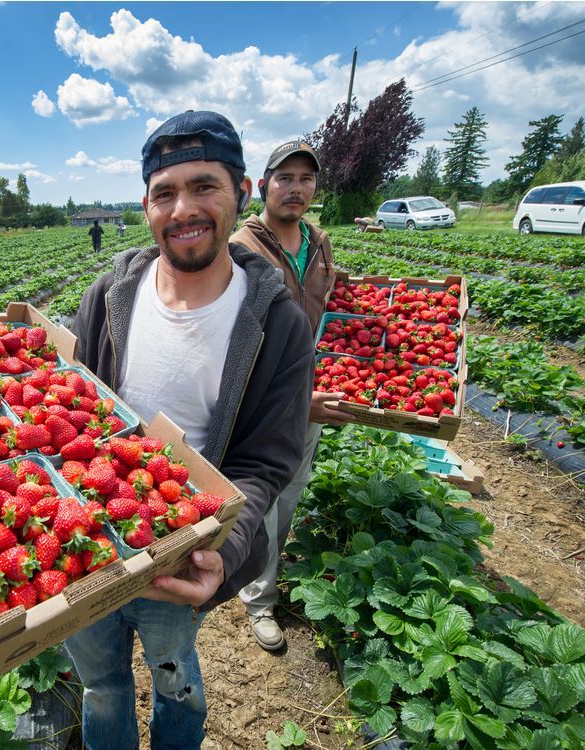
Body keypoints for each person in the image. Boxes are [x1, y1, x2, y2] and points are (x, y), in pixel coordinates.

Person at [67, 111, 314, 750]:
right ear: (145, 205)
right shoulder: (109, 295)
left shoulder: (278, 325)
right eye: (164, 192)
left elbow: (265, 464)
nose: (184, 209)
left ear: (241, 192)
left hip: (179, 546)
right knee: (100, 683)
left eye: (204, 186)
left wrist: (225, 555)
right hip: (84, 538)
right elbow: (68, 407)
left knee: (174, 675)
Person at [229, 140, 355, 652]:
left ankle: (265, 576)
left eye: (306, 179)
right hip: (262, 402)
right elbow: (234, 342)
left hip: (316, 389)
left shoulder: (319, 242)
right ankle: (259, 599)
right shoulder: (241, 248)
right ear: (264, 186)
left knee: (295, 489)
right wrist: (296, 400)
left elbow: (323, 305)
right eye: (285, 178)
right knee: (265, 502)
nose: (296, 188)